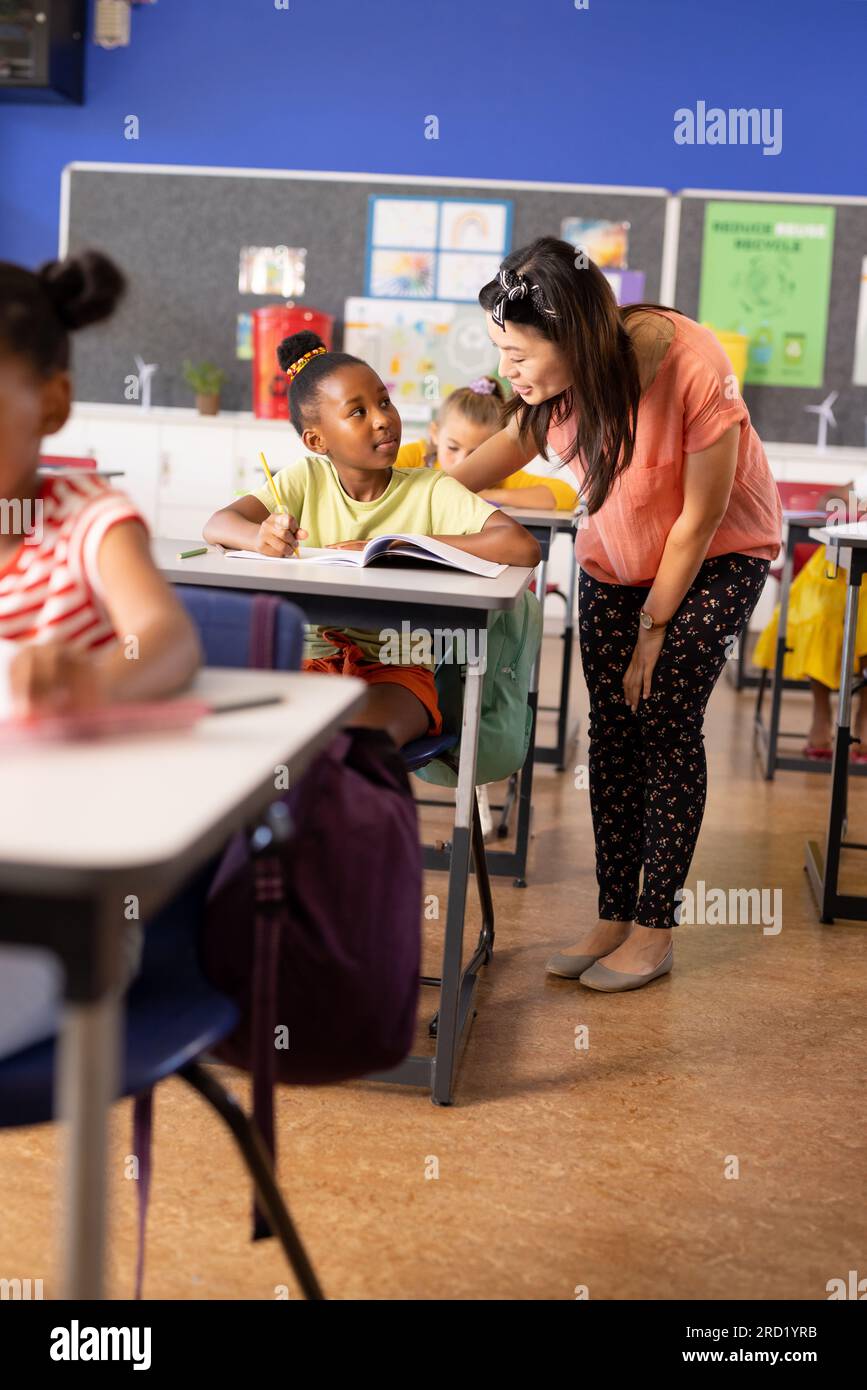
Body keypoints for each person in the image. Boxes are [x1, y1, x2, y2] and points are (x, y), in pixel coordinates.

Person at [450, 236, 782, 992]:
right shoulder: (551, 391)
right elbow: (487, 461)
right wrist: (386, 505)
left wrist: (651, 633)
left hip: (718, 553)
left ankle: (654, 926)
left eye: (518, 352)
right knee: (610, 727)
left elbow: (699, 521)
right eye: (498, 348)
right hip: (617, 555)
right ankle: (611, 910)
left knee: (662, 716)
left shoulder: (689, 364)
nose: (506, 369)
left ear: (570, 335)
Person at [0, 249, 201, 1056]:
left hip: (61, 919)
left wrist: (95, 679)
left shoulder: (86, 518)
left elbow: (166, 638)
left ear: (50, 404)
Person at [203, 331, 540, 748]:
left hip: (397, 668)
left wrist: (402, 544)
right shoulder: (305, 479)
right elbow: (219, 524)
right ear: (316, 440)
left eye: (384, 401)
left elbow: (521, 546)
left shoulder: (429, 488)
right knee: (268, 741)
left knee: (353, 744)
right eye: (357, 412)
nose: (382, 418)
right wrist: (260, 536)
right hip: (308, 661)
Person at [752, 476, 867, 761]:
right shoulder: (858, 483)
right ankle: (822, 713)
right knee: (819, 617)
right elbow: (824, 504)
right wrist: (852, 505)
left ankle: (864, 717)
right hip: (831, 570)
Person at [397, 376, 578, 510]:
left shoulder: (499, 475)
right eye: (452, 448)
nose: (462, 461)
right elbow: (374, 482)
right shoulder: (416, 456)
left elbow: (566, 496)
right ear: (435, 434)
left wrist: (485, 494)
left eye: (476, 454)